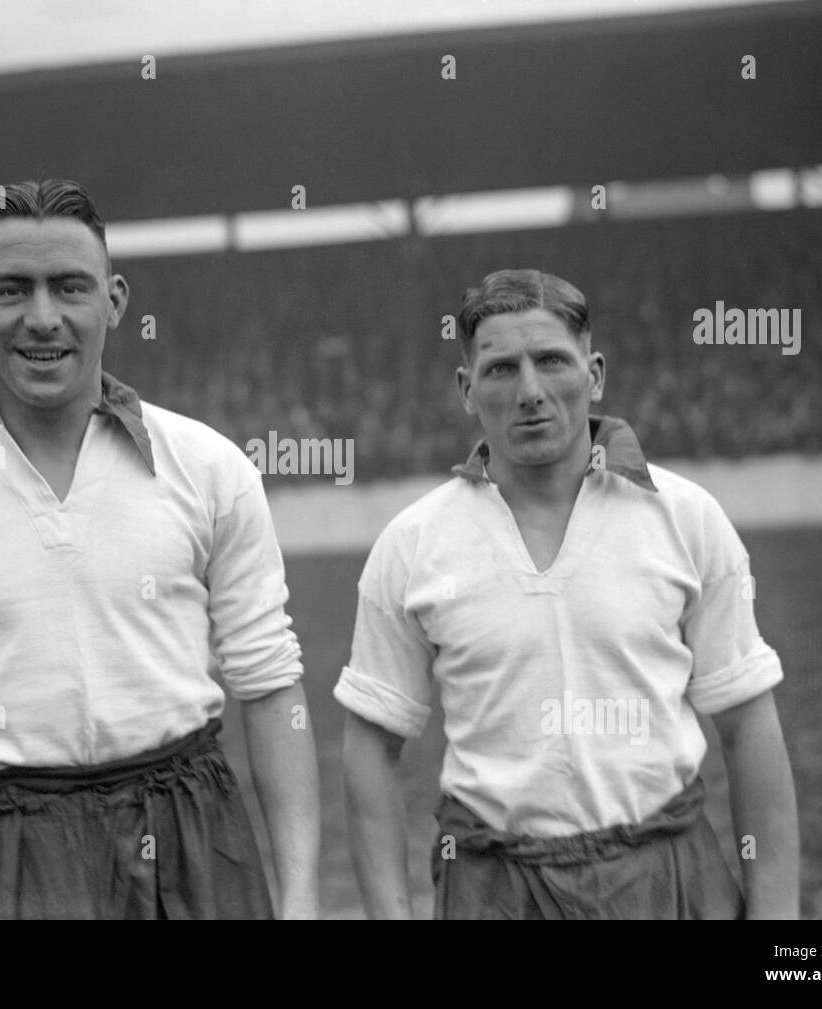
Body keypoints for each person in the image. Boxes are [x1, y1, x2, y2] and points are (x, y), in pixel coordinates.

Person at [0, 179, 320, 919]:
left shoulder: (210, 466)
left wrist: (300, 902)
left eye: (70, 287)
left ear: (116, 300)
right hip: (9, 847)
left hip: (192, 835)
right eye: (10, 290)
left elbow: (270, 685)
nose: (42, 318)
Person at [338, 269, 798, 919]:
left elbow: (749, 725)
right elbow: (369, 748)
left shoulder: (686, 518)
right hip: (494, 886)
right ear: (467, 390)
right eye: (501, 369)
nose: (530, 391)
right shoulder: (412, 544)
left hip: (668, 873)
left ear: (596, 374)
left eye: (551, 360)